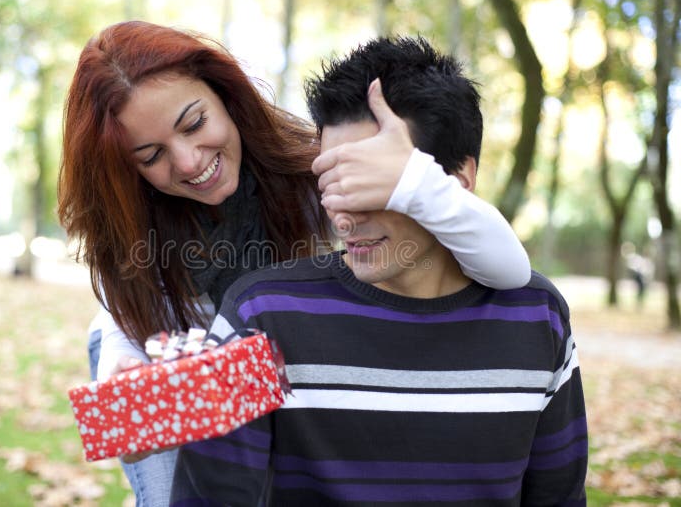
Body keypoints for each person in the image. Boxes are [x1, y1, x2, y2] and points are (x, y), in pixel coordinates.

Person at [58, 21, 531, 506]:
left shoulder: (314, 172)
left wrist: (417, 180)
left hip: (283, 366)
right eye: (151, 155)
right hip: (176, 361)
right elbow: (126, 325)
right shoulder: (130, 220)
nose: (187, 162)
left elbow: (510, 270)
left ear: (226, 96)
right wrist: (125, 389)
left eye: (194, 124)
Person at [171, 36, 587, 505]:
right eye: (333, 184)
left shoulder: (537, 317)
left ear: (456, 181)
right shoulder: (264, 315)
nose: (344, 218)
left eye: (371, 184)